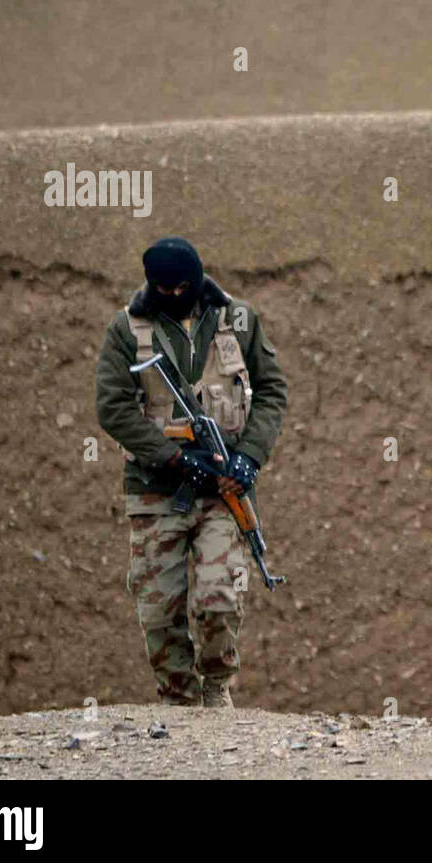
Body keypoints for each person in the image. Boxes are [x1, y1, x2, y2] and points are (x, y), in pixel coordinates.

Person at [95, 237, 288, 708]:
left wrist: (249, 457)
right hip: (157, 490)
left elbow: (272, 391)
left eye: (186, 285)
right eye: (166, 287)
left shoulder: (238, 319)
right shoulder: (127, 328)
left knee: (219, 598)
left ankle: (217, 690)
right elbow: (113, 408)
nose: (176, 293)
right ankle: (178, 701)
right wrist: (176, 458)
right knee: (159, 609)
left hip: (224, 488)